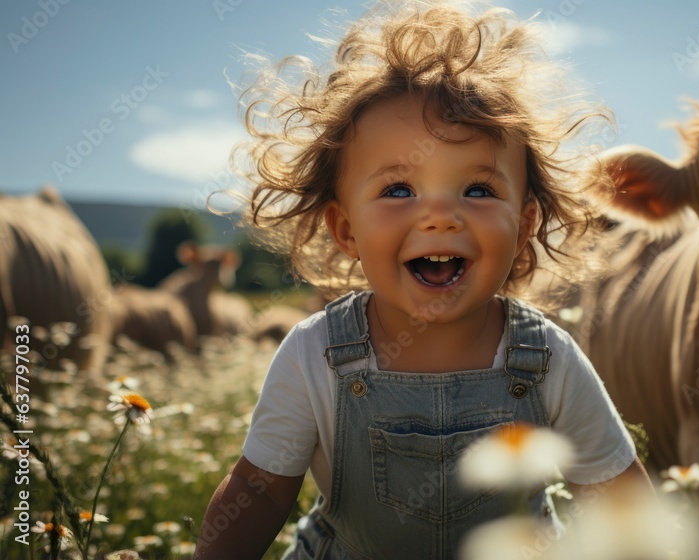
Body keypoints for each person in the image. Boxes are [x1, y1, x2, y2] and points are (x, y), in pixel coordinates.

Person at [194, 2, 650, 558]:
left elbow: (618, 496)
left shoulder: (547, 357)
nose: (439, 216)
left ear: (525, 222)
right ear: (346, 229)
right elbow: (259, 492)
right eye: (399, 190)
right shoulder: (314, 354)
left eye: (478, 190)